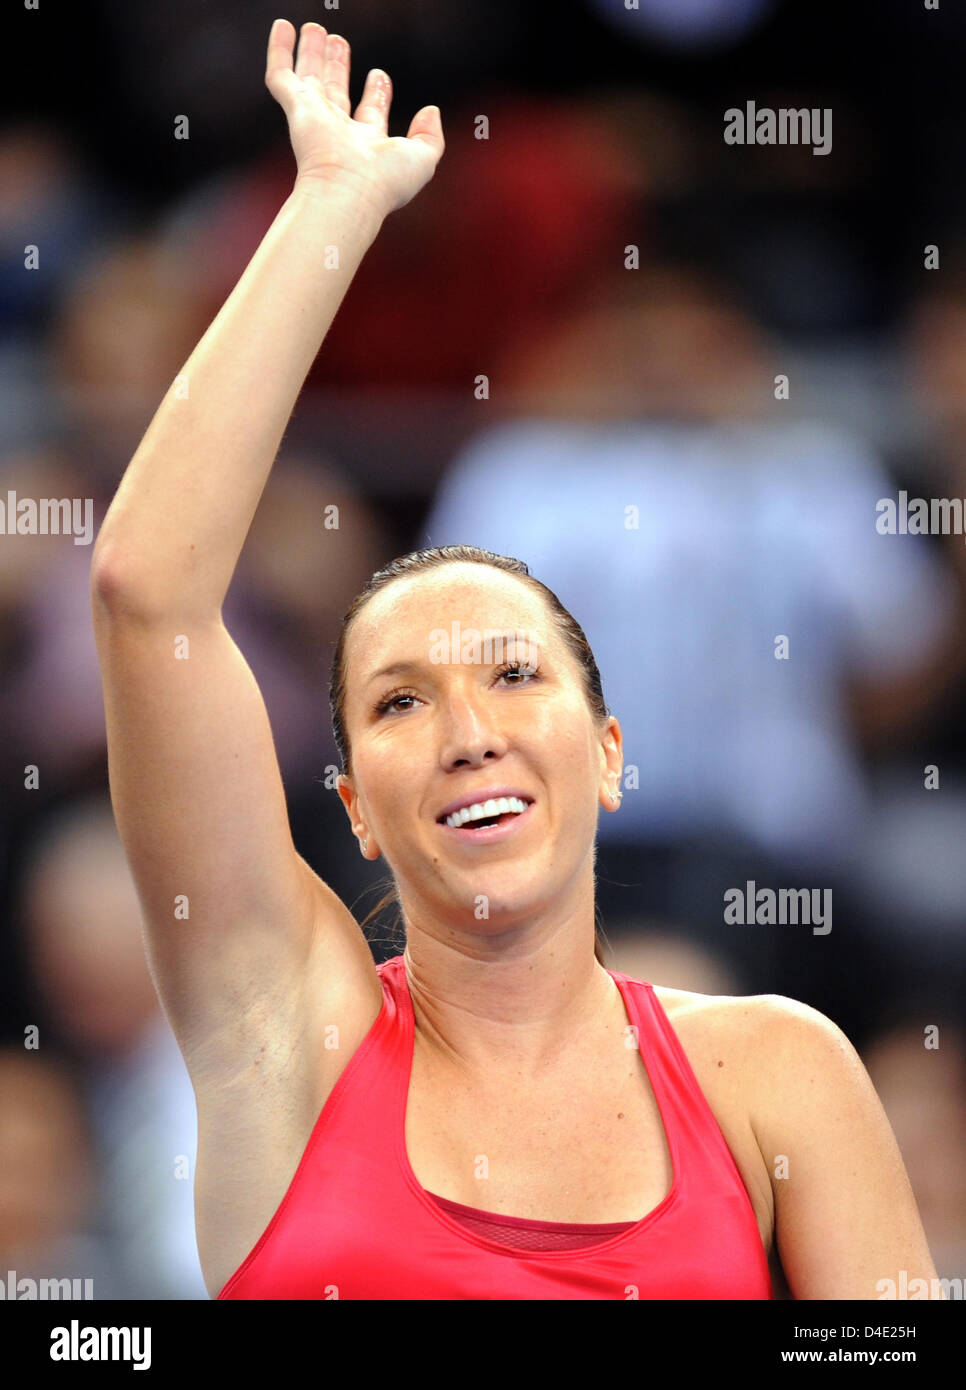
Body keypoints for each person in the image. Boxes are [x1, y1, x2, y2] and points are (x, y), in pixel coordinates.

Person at [90, 21, 940, 1300]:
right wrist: (333, 205)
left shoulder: (778, 1071)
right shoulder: (288, 1032)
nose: (468, 727)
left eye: (514, 675)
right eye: (398, 700)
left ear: (609, 755)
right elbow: (149, 594)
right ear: (355, 812)